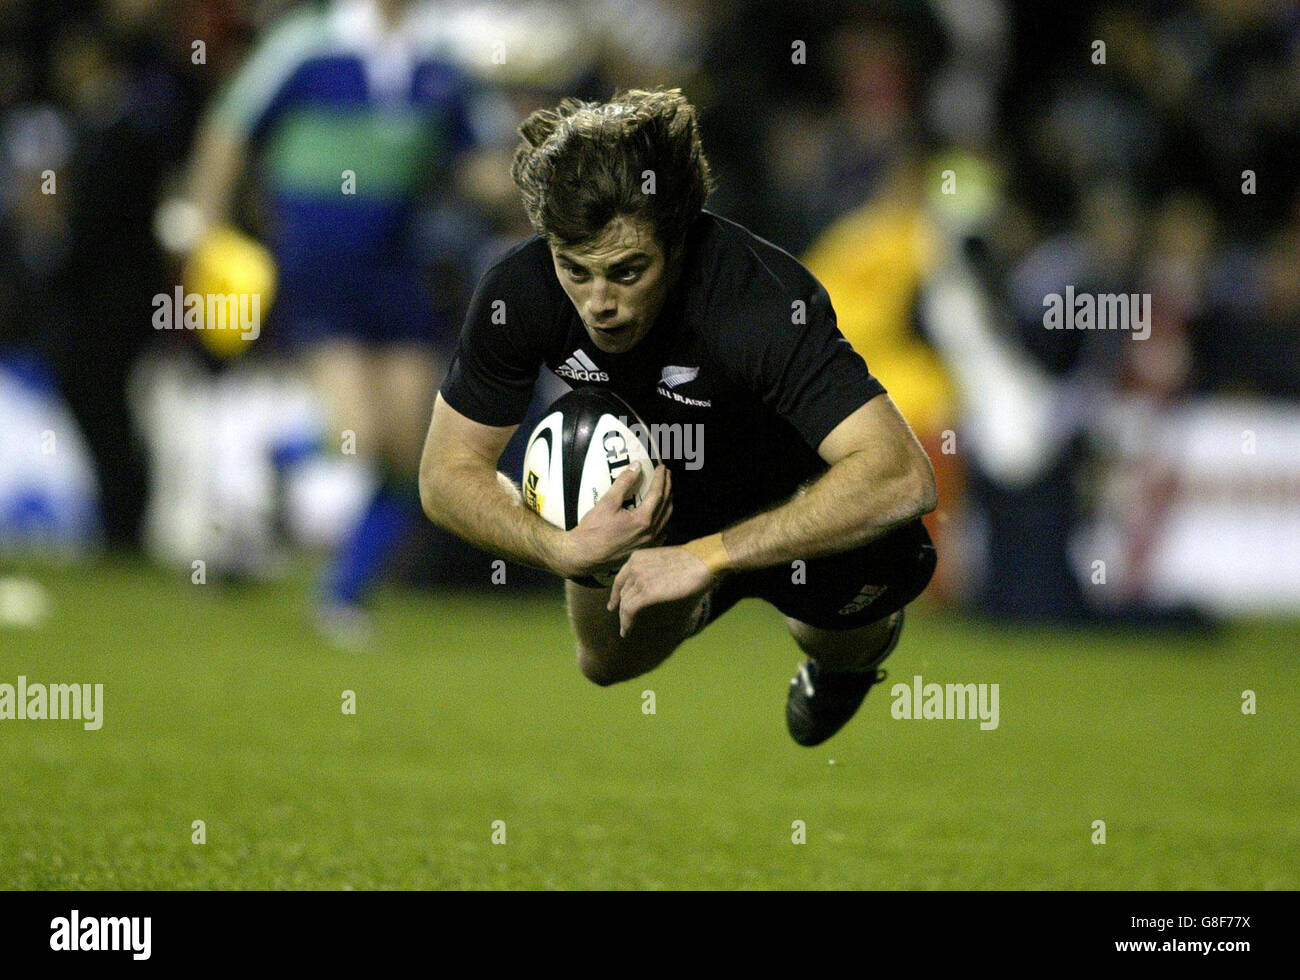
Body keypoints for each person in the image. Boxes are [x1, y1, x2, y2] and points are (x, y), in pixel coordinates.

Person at [420, 88, 937, 746]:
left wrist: (708, 557)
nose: (597, 303)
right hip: (656, 500)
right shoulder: (517, 292)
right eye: (575, 270)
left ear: (680, 236)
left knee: (836, 631)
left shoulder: (761, 301)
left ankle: (844, 665)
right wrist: (558, 547)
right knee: (606, 663)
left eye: (627, 271)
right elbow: (445, 472)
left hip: (797, 498)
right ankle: (693, 597)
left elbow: (900, 475)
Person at [163, 0, 476, 643]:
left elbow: (477, 158)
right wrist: (201, 229)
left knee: (415, 447)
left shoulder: (441, 55)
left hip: (401, 265)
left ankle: (339, 589)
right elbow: (228, 126)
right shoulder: (306, 43)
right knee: (359, 431)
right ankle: (277, 473)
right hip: (316, 262)